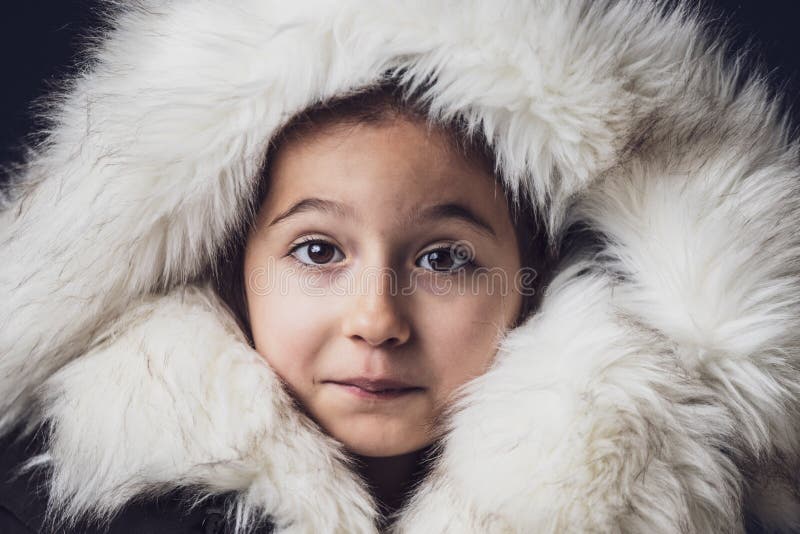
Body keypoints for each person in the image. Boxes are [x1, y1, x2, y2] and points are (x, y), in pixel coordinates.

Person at [1, 1, 799, 533]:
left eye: (445, 259)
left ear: (532, 280)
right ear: (230, 267)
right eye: (318, 251)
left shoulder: (693, 508)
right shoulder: (62, 504)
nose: (377, 319)